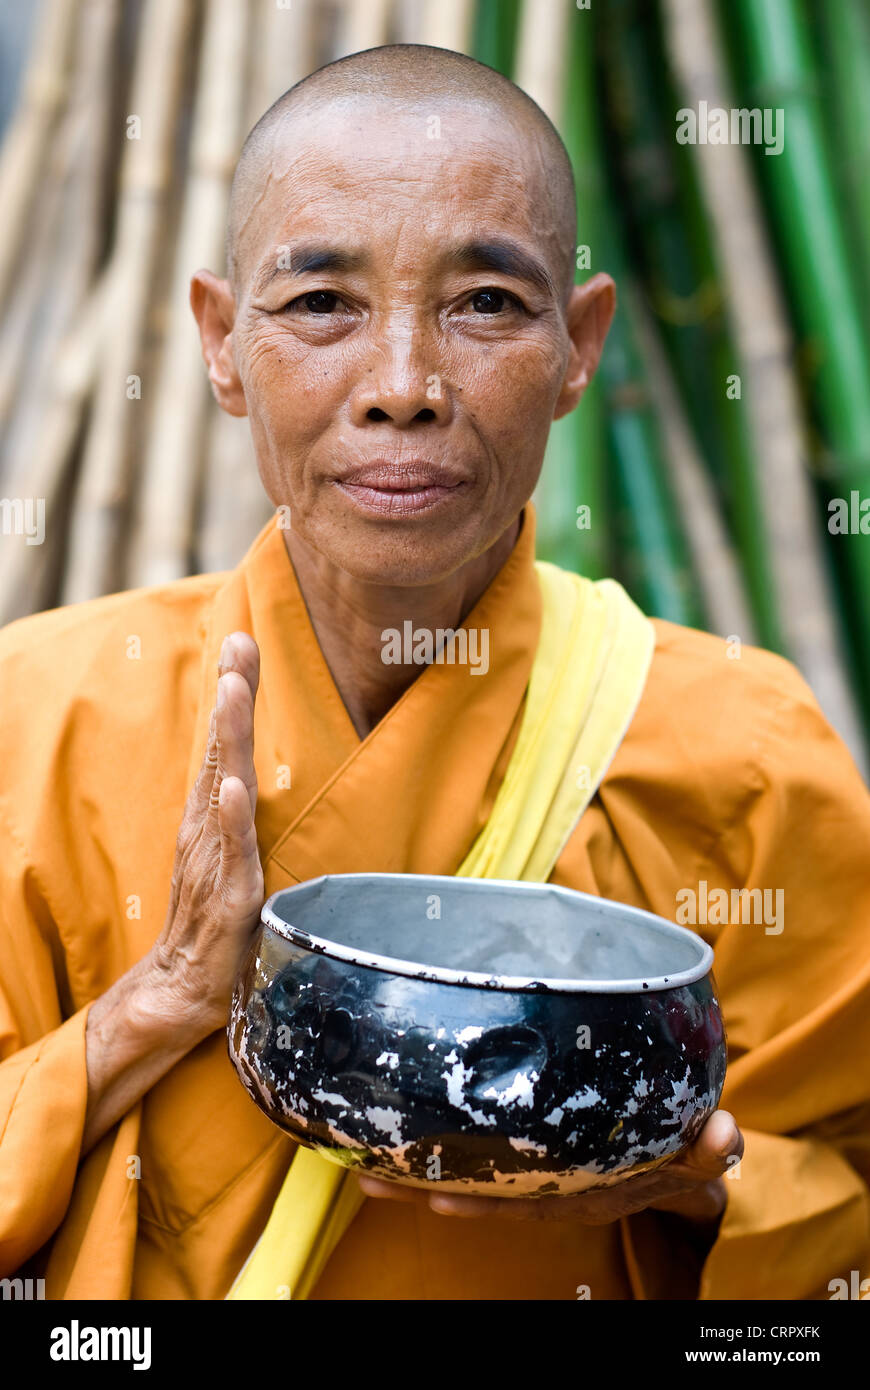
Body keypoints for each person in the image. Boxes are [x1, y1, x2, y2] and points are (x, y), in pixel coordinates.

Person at [0, 44, 867, 1301]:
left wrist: (695, 1182)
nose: (402, 388)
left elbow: (843, 1192)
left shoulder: (745, 752)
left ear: (580, 347)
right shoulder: (36, 720)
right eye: (321, 306)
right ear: (220, 341)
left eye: (486, 305)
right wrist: (161, 1003)